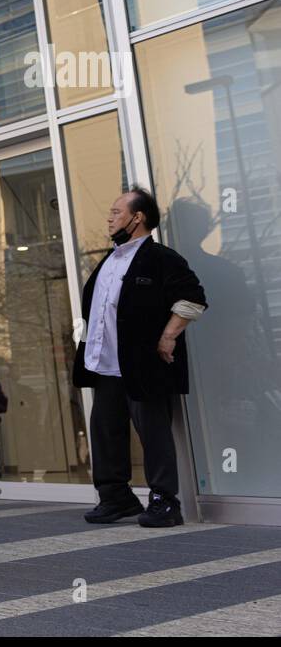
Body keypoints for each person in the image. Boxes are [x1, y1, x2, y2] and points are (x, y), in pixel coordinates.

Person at [74, 187, 207, 528]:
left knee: (154, 433)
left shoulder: (162, 257)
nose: (109, 217)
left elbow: (192, 299)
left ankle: (165, 502)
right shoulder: (109, 260)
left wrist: (167, 336)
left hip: (144, 366)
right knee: (105, 430)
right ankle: (116, 498)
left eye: (116, 211)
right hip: (105, 366)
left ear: (138, 218)